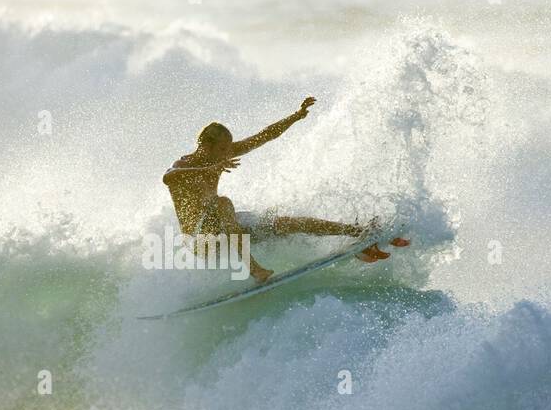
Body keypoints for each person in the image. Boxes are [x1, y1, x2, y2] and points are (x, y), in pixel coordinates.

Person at [162, 97, 408, 282]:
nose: (229, 152)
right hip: (201, 241)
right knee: (223, 202)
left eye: (229, 148)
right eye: (223, 148)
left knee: (282, 222)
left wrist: (296, 116)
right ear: (206, 145)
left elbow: (264, 136)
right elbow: (168, 177)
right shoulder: (184, 167)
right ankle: (254, 269)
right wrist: (209, 169)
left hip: (226, 229)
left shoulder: (221, 156)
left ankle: (358, 233)